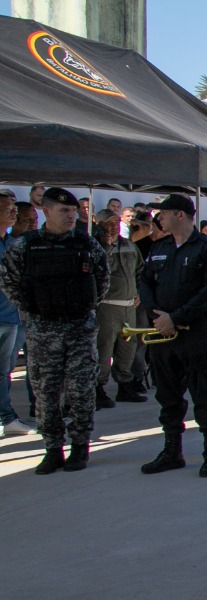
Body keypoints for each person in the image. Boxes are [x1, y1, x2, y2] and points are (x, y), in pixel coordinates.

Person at [0, 187, 110, 472]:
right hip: (43, 329)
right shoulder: (26, 246)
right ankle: (52, 448)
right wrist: (35, 308)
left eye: (73, 211)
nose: (71, 216)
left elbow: (102, 280)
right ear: (46, 211)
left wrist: (80, 306)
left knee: (81, 390)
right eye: (64, 211)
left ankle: (80, 447)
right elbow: (9, 281)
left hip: (80, 328)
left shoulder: (86, 244)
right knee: (45, 392)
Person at [136, 194, 207, 477]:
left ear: (180, 215)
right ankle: (172, 451)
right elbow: (145, 283)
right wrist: (157, 317)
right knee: (167, 394)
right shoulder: (159, 247)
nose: (158, 218)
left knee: (203, 393)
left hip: (193, 332)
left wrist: (175, 318)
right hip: (163, 333)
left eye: (163, 213)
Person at [92, 209, 142, 408]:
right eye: (108, 223)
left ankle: (125, 385)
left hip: (129, 306)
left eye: (115, 222)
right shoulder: (95, 246)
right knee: (104, 348)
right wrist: (107, 245)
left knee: (128, 347)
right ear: (99, 225)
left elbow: (140, 269)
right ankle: (98, 387)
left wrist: (138, 291)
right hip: (107, 306)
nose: (113, 227)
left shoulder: (129, 245)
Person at [0, 191, 28, 436]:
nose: (13, 211)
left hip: (12, 317)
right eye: (7, 207)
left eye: (13, 208)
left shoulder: (12, 243)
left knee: (4, 371)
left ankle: (5, 417)